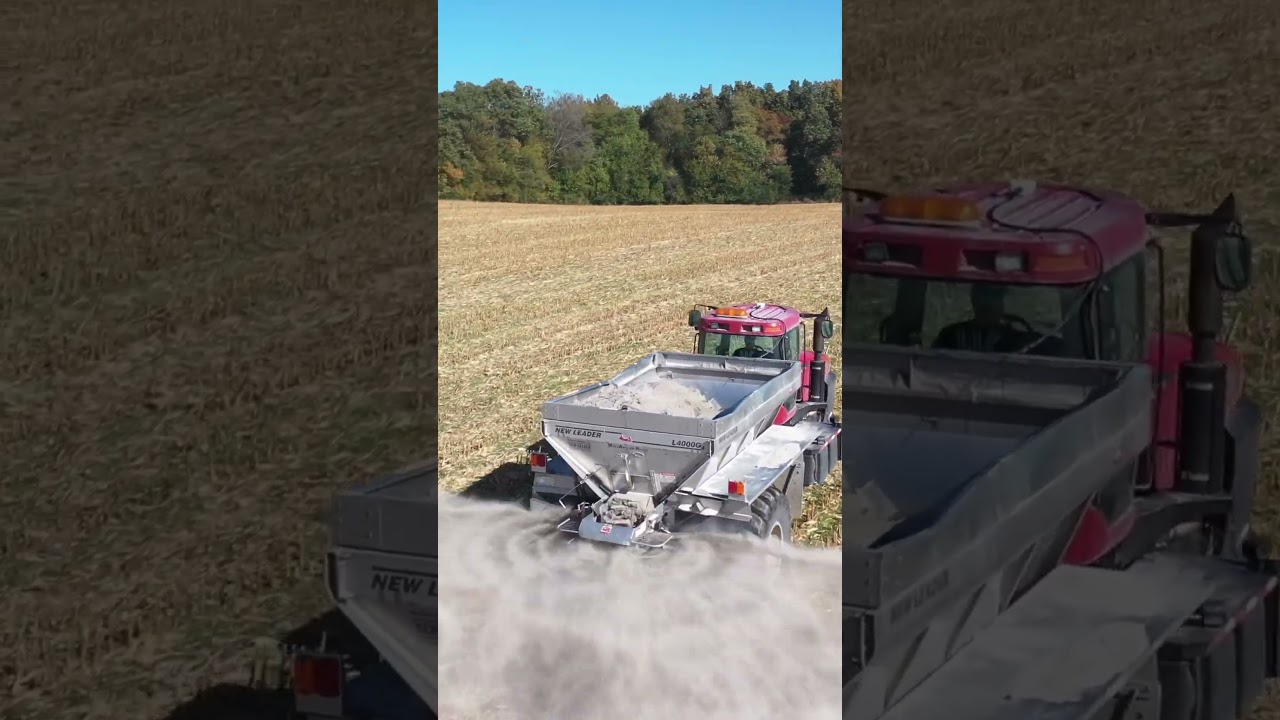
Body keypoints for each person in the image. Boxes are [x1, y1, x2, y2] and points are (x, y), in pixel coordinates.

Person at [932, 283, 1030, 353]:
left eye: (995, 297)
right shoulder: (950, 337)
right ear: (974, 301)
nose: (988, 302)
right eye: (984, 297)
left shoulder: (1019, 341)